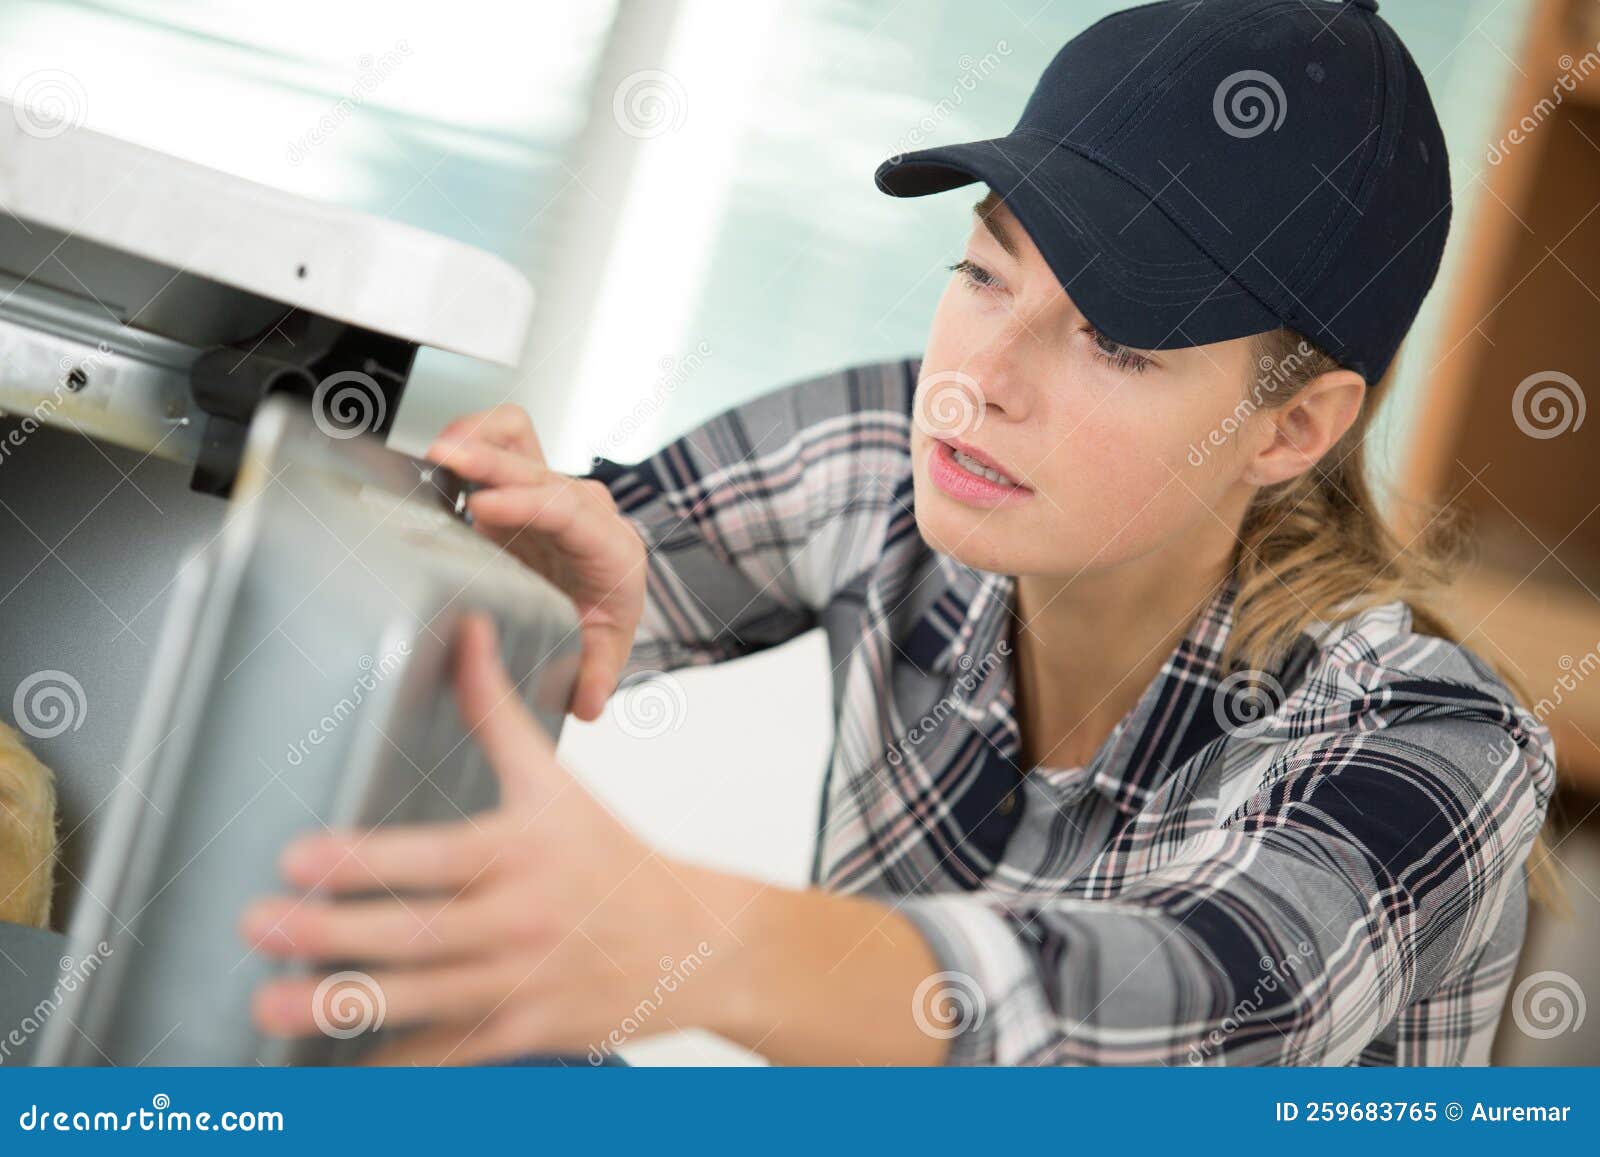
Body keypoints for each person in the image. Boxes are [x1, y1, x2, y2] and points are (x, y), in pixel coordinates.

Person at [242, 0, 1556, 1065]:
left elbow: (1198, 1004)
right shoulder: (911, 451)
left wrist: (688, 934)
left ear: (1291, 427)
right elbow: (570, 550)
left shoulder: (1440, 744)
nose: (983, 380)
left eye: (1116, 341)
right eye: (985, 272)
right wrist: (490, 565)